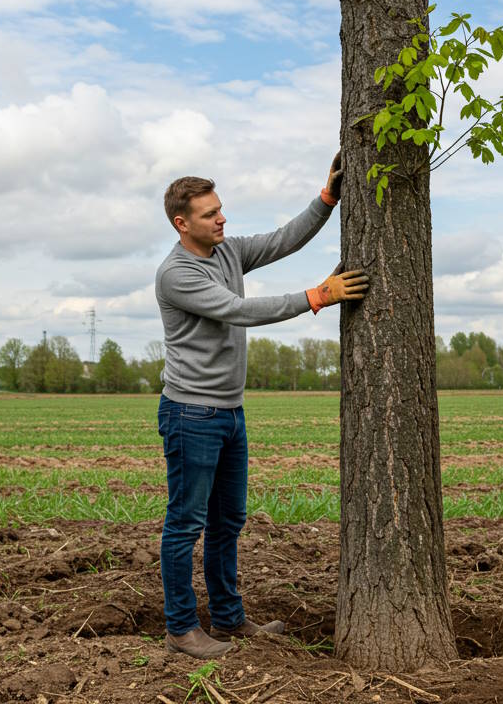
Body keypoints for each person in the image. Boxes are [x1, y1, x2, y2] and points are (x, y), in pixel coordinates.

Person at [154, 155, 366, 659]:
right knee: (185, 524)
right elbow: (239, 310)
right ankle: (182, 628)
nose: (221, 219)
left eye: (221, 209)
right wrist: (316, 296)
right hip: (191, 414)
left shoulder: (228, 251)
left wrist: (327, 199)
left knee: (228, 521)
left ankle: (228, 618)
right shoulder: (177, 274)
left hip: (229, 412)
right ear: (183, 224)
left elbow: (281, 240)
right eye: (210, 215)